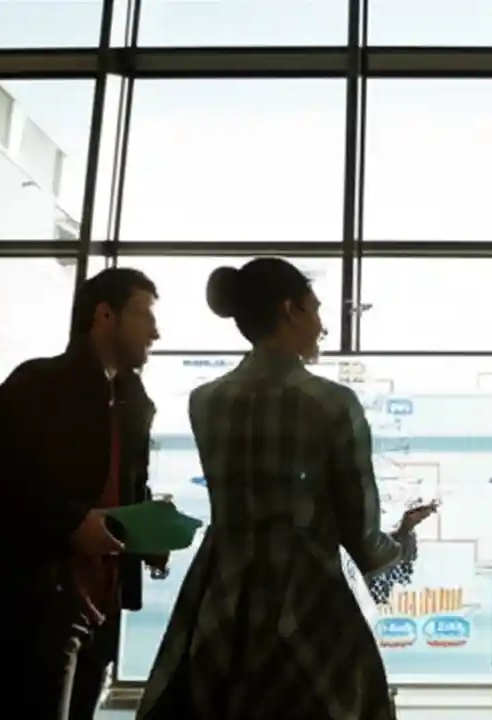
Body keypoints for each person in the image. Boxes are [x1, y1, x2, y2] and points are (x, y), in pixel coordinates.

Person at [138, 257, 435, 720]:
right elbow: (362, 536)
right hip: (307, 599)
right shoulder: (332, 403)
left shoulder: (206, 401)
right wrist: (400, 543)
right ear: (290, 310)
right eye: (315, 311)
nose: (321, 326)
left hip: (223, 593)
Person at [0, 267, 162, 720]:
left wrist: (145, 533)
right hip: (39, 597)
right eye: (145, 315)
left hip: (100, 605)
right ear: (105, 315)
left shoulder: (132, 401)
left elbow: (121, 490)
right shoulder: (40, 383)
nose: (156, 332)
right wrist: (70, 524)